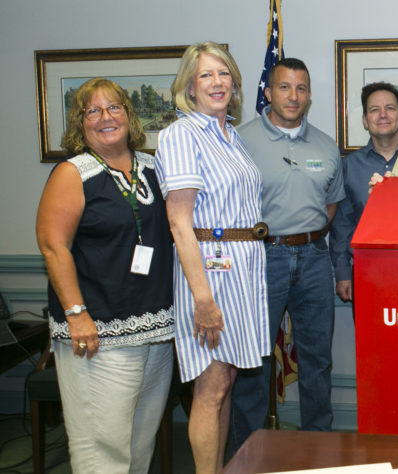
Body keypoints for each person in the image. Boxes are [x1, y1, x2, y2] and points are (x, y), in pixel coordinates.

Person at [36, 78, 175, 473]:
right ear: (80, 123)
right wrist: (76, 313)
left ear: (129, 116)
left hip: (155, 328)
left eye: (114, 108)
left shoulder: (151, 168)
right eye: (92, 111)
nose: (105, 117)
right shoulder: (72, 173)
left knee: (139, 442)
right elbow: (53, 246)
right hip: (97, 332)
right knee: (101, 447)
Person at [156, 42, 268, 473]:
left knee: (226, 383)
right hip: (210, 274)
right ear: (188, 85)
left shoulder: (230, 135)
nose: (217, 83)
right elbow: (180, 223)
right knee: (211, 388)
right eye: (205, 75)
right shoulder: (181, 135)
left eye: (223, 74)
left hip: (242, 270)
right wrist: (202, 300)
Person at [231, 58, 345, 448]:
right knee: (255, 359)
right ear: (268, 92)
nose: (293, 96)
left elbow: (330, 204)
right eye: (284, 87)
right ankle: (248, 449)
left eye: (300, 88)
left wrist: (307, 235)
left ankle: (319, 446)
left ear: (309, 95)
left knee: (317, 358)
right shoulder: (239, 141)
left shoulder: (325, 145)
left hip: (314, 256)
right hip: (262, 257)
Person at [329, 82, 398, 303]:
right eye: (374, 110)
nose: (382, 115)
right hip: (366, 273)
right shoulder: (349, 166)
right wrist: (343, 273)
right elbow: (342, 225)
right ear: (365, 120)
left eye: (390, 108)